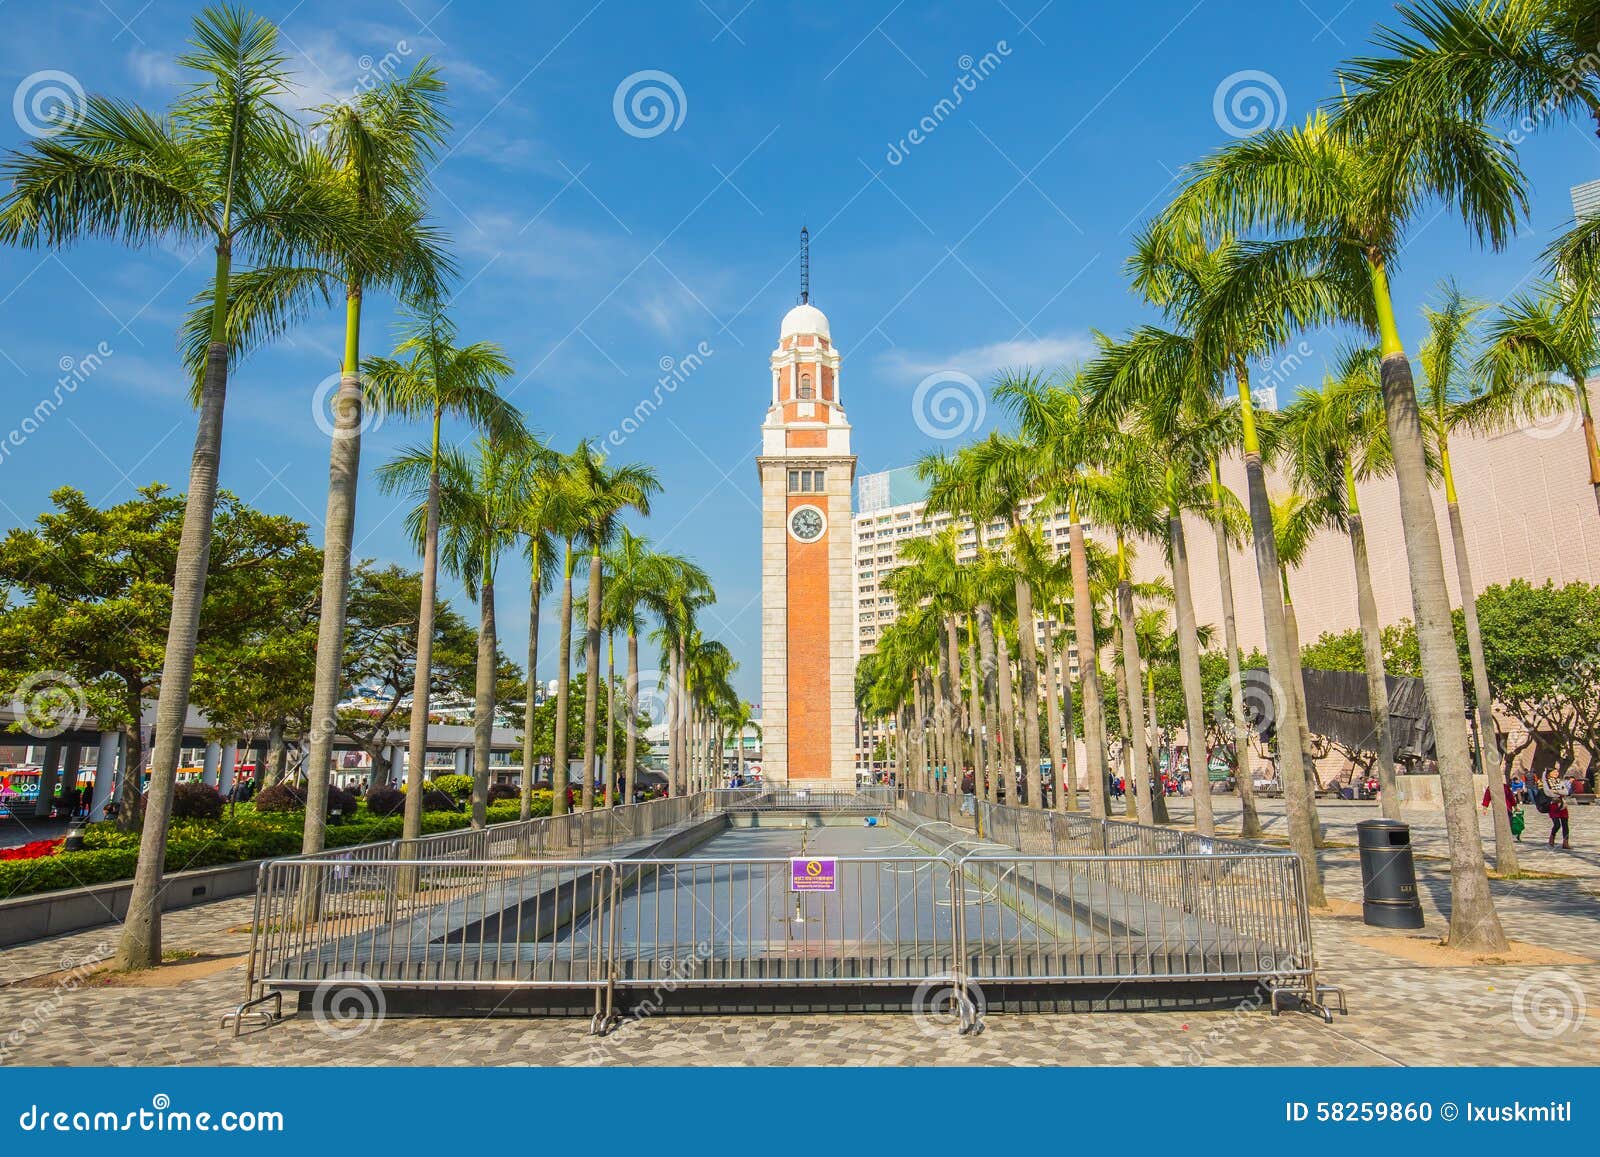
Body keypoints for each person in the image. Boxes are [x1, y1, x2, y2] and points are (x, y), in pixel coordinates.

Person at [1547, 774, 1571, 850]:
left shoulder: (1560, 782)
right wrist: (1559, 792)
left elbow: (1566, 792)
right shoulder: (1546, 782)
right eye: (1554, 772)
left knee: (1565, 824)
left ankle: (1565, 842)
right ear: (1549, 774)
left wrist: (1556, 792)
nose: (1556, 774)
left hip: (1562, 805)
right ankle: (1552, 837)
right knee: (1557, 824)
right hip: (1553, 806)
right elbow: (1548, 793)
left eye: (1557, 772)